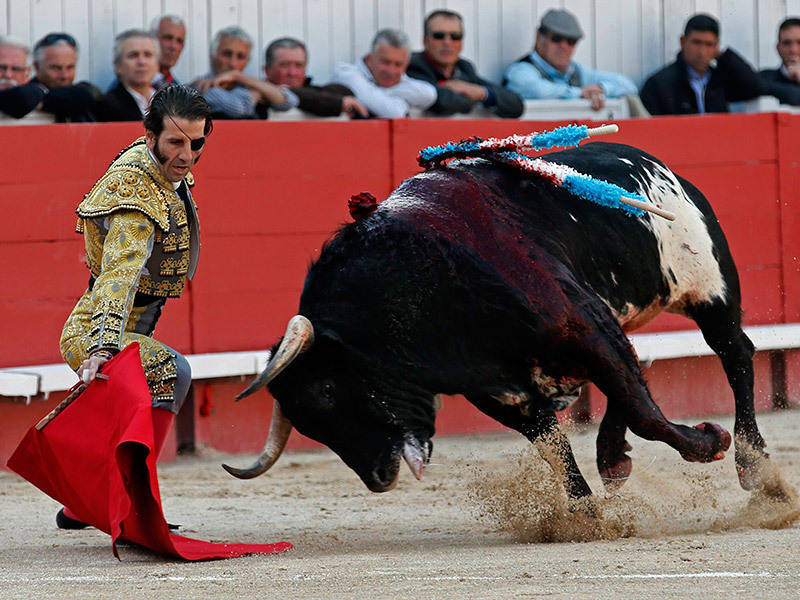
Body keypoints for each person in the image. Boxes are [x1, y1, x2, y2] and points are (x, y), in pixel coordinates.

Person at [57, 84, 212, 530]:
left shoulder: (157, 165)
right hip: (95, 331)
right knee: (171, 372)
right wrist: (104, 347)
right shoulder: (136, 198)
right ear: (150, 137)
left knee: (133, 406)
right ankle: (135, 506)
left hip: (133, 321)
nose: (187, 155)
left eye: (196, 143)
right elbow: (119, 274)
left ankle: (80, 507)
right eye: (176, 143)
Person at [503, 8, 637, 111]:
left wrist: (600, 89)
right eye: (556, 39)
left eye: (571, 41)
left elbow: (628, 86)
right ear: (539, 38)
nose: (564, 46)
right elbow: (536, 91)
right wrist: (580, 93)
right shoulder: (520, 70)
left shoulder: (576, 71)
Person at [640, 14, 764, 115]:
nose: (702, 52)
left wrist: (724, 56)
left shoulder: (719, 80)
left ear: (716, 46)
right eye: (696, 42)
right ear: (683, 42)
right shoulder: (660, 84)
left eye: (709, 44)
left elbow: (756, 87)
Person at [407, 10, 523, 118]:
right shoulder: (412, 65)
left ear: (461, 42)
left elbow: (516, 105)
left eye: (455, 37)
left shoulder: (464, 68)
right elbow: (444, 103)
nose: (447, 42)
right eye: (439, 36)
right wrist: (469, 95)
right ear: (425, 41)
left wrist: (482, 93)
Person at [192, 26, 295, 119]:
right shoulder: (201, 86)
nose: (233, 63)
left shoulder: (246, 85)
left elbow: (290, 101)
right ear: (213, 56)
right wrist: (259, 92)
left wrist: (237, 76)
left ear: (247, 61)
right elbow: (239, 108)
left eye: (240, 57)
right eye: (227, 54)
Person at [330, 28, 437, 118]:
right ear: (369, 59)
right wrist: (400, 100)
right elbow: (395, 113)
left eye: (398, 64)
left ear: (406, 66)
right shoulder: (346, 74)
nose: (391, 71)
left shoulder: (399, 80)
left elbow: (428, 94)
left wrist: (375, 94)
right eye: (385, 62)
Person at [263, 37, 367, 118]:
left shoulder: (317, 92)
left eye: (299, 65)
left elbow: (344, 92)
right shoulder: (259, 98)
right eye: (284, 65)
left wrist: (285, 91)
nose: (292, 73)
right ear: (267, 70)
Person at [94, 29, 159, 121]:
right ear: (117, 66)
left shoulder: (168, 101)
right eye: (133, 55)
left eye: (148, 55)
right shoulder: (106, 107)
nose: (142, 62)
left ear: (157, 63)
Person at [759, 17, 800, 106]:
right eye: (787, 43)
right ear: (778, 48)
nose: (793, 50)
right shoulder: (763, 78)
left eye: (799, 42)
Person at [151, 15, 186, 89]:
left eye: (179, 41)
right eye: (168, 38)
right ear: (152, 39)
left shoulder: (178, 89)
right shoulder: (131, 82)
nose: (173, 46)